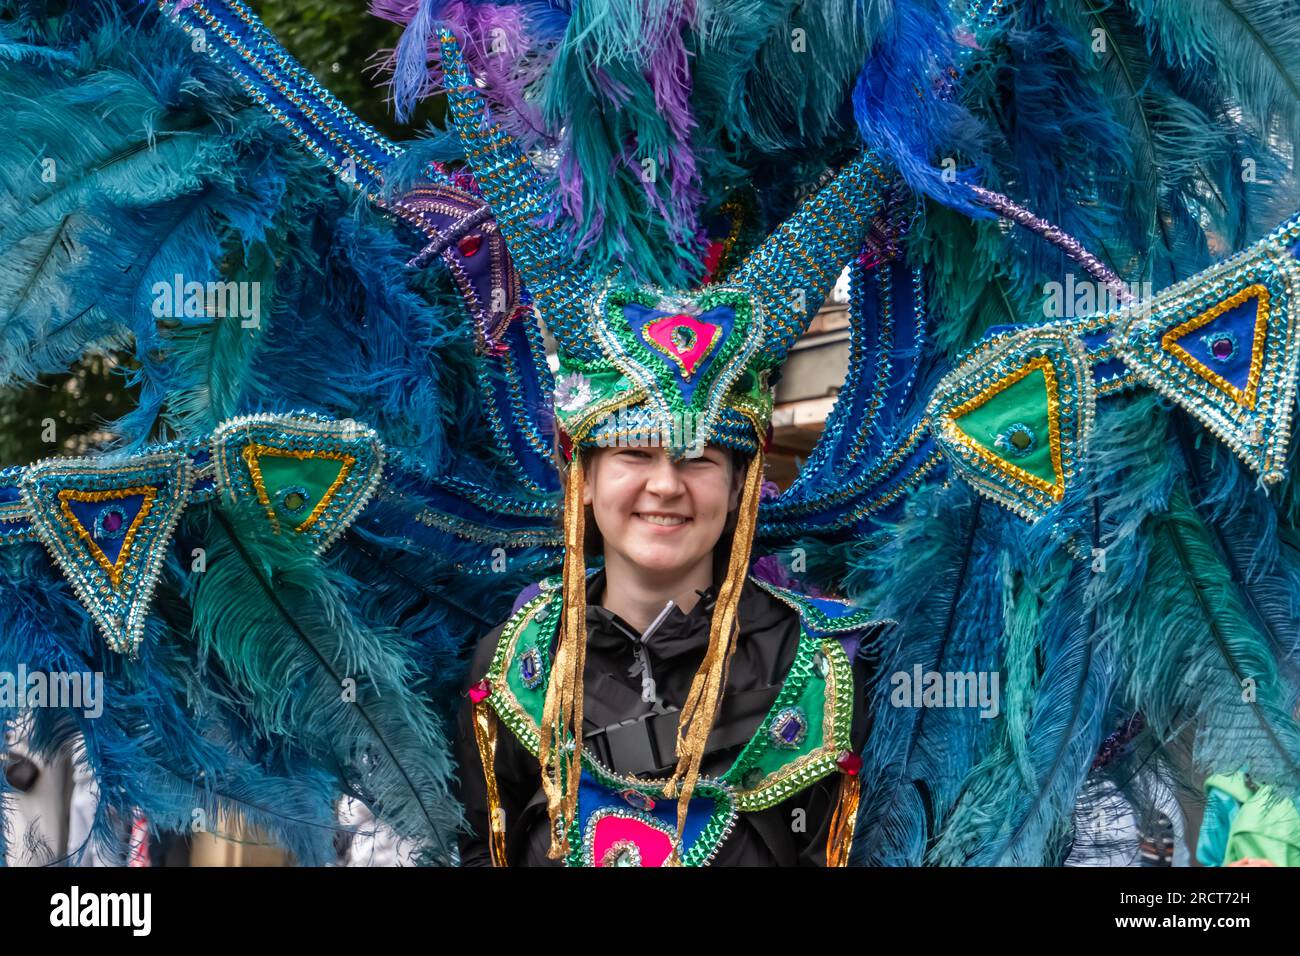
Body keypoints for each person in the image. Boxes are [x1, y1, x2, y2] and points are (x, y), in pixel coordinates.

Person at [452, 441, 882, 867]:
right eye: (635, 452)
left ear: (737, 486)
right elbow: (484, 852)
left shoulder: (826, 666)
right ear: (582, 476)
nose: (665, 485)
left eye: (697, 459)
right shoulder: (515, 657)